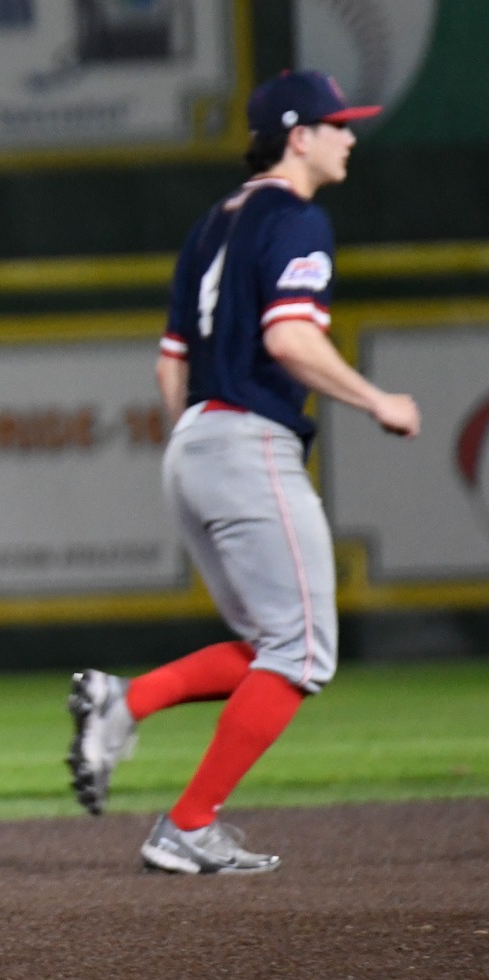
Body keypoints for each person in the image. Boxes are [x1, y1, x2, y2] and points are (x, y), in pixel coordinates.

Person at [66, 71, 421, 875]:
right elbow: (291, 341)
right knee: (301, 657)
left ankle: (127, 703)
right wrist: (376, 400)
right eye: (338, 124)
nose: (350, 137)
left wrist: (201, 443)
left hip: (193, 443)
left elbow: (170, 369)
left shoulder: (211, 225)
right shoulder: (297, 220)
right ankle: (188, 825)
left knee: (270, 644)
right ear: (299, 136)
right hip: (248, 443)